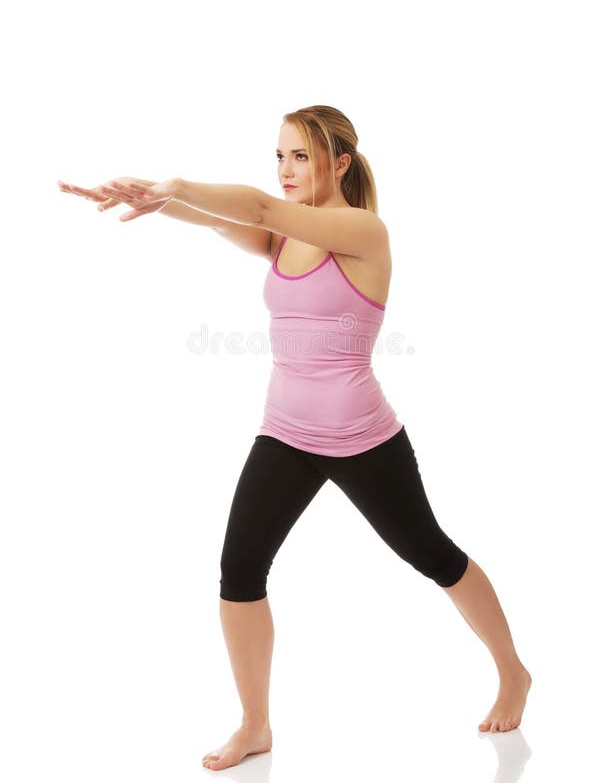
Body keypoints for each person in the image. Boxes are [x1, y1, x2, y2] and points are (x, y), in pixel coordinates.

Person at [58, 104, 532, 771]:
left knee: (432, 554)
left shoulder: (361, 229)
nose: (286, 169)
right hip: (283, 433)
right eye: (280, 155)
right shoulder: (284, 235)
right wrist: (156, 200)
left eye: (301, 156)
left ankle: (512, 671)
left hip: (361, 437)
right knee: (239, 571)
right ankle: (255, 725)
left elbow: (256, 207)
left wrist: (177, 184)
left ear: (340, 162)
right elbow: (226, 220)